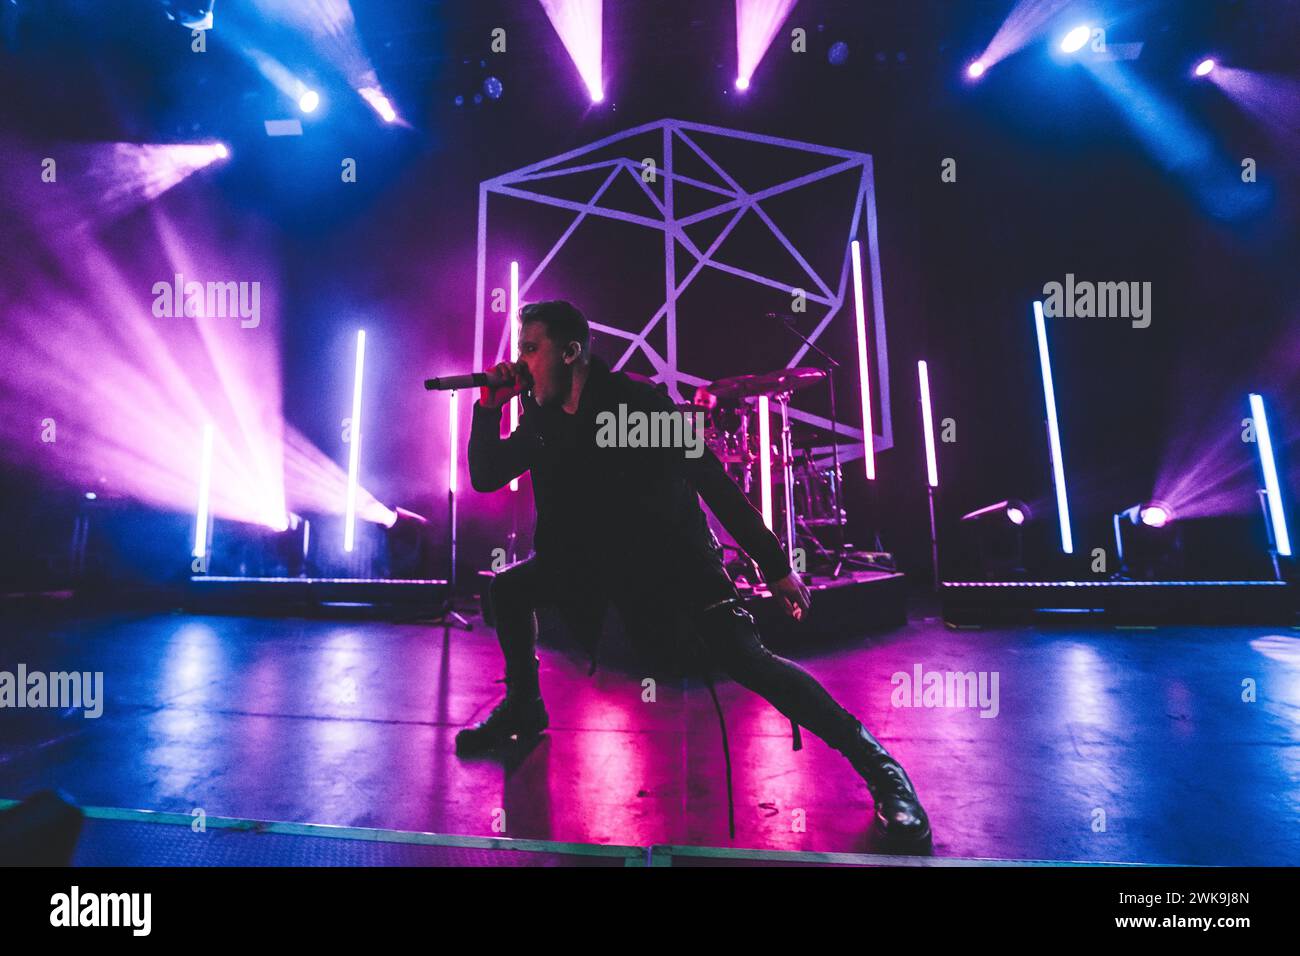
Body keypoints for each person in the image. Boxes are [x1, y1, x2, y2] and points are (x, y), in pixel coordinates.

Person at [457, 300, 931, 851]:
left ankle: (883, 771)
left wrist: (774, 564)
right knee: (510, 589)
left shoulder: (637, 405)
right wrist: (488, 409)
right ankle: (523, 705)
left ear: (571, 351)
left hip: (672, 564)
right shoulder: (540, 418)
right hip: (588, 563)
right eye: (521, 350)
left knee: (752, 664)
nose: (520, 362)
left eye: (530, 349)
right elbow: (487, 475)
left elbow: (710, 478)